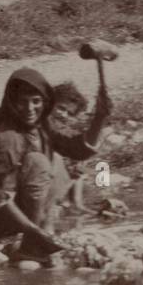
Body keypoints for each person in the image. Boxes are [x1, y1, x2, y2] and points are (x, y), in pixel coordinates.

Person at [0, 66, 111, 259]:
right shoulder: (7, 138)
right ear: (11, 103)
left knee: (55, 161)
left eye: (36, 101)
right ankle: (28, 243)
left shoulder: (40, 125)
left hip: (1, 212)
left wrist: (99, 118)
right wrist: (34, 233)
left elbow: (78, 150)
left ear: (45, 102)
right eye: (22, 102)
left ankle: (38, 231)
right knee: (39, 162)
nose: (30, 109)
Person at [47, 81, 90, 215]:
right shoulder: (45, 120)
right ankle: (68, 203)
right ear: (51, 103)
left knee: (79, 164)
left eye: (69, 113)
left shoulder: (60, 124)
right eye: (61, 108)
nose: (64, 115)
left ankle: (76, 203)